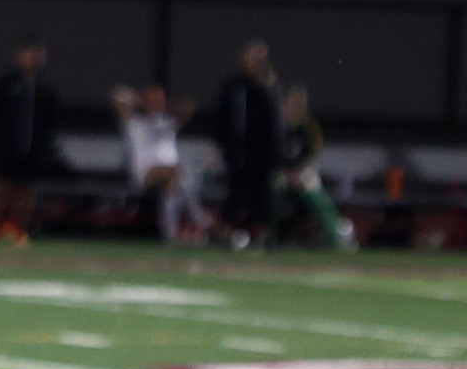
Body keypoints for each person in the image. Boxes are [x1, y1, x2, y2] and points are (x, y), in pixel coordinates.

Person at [0, 38, 60, 245]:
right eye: (29, 54)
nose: (33, 59)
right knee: (1, 187)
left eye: (38, 54)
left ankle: (17, 229)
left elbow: (50, 120)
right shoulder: (7, 85)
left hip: (33, 148)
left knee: (26, 191)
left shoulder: (46, 89)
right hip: (6, 148)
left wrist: (45, 147)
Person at [112, 83, 211, 244]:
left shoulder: (165, 121)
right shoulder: (134, 122)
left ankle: (172, 234)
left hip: (171, 171)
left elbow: (189, 106)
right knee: (178, 174)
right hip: (144, 172)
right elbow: (117, 97)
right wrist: (140, 101)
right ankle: (198, 217)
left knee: (177, 181)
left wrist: (164, 106)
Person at [216, 40, 283, 250]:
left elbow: (275, 122)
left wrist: (276, 151)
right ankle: (226, 233)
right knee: (236, 192)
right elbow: (222, 117)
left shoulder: (270, 86)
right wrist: (222, 143)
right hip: (239, 151)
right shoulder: (234, 87)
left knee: (263, 194)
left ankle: (263, 234)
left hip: (263, 152)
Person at [276, 84, 356, 251]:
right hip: (279, 173)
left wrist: (297, 172)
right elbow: (266, 153)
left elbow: (314, 153)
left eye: (300, 103)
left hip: (301, 172)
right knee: (274, 188)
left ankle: (336, 234)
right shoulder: (275, 125)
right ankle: (271, 235)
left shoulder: (309, 127)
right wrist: (285, 172)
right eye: (293, 102)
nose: (297, 106)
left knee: (313, 189)